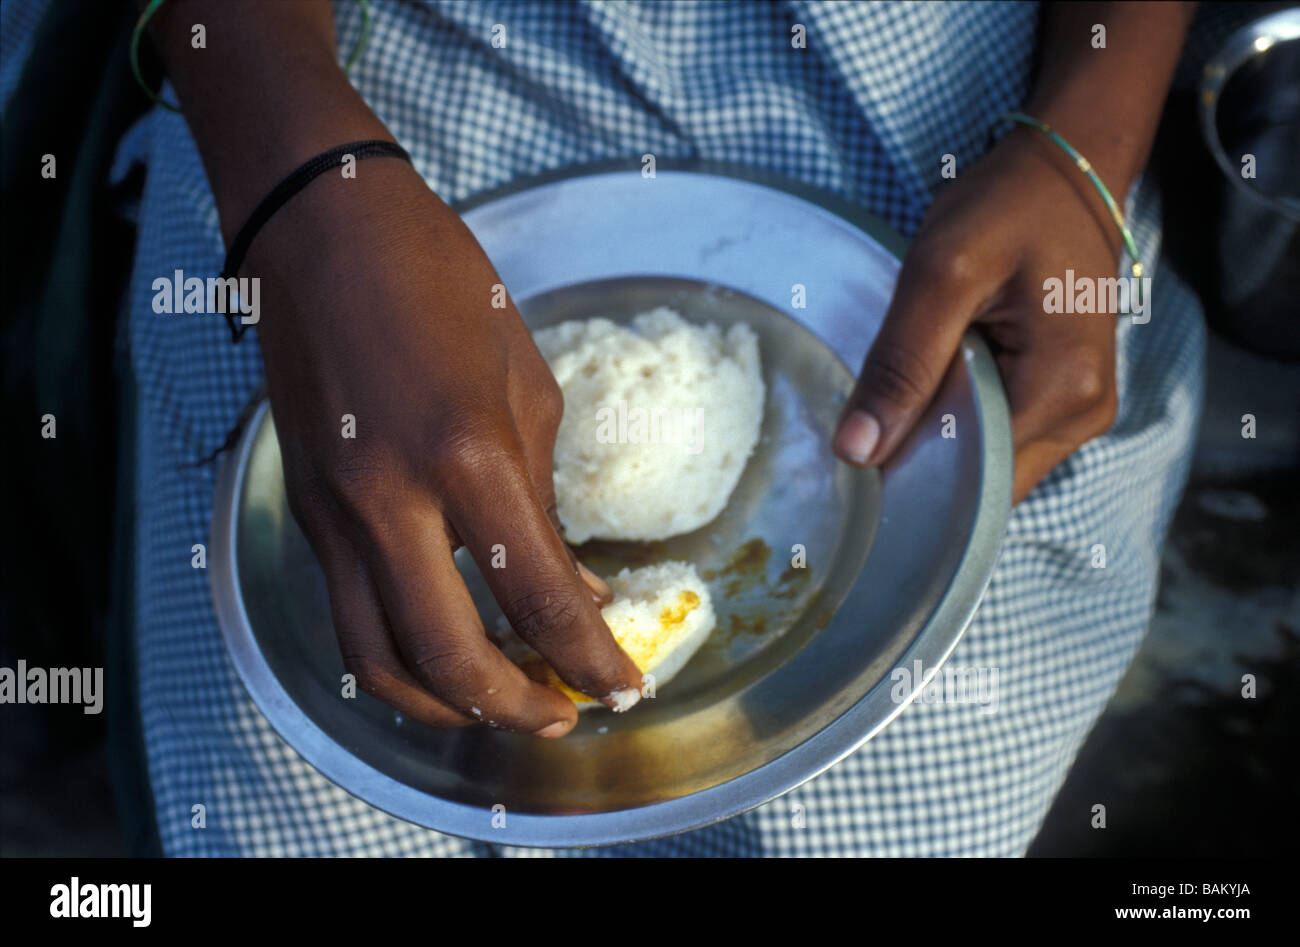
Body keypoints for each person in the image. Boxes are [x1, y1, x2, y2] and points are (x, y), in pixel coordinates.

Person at [110, 0, 1202, 856]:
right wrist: (296, 186)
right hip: (346, 109)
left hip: (941, 118)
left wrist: (1084, 142)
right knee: (310, 742)